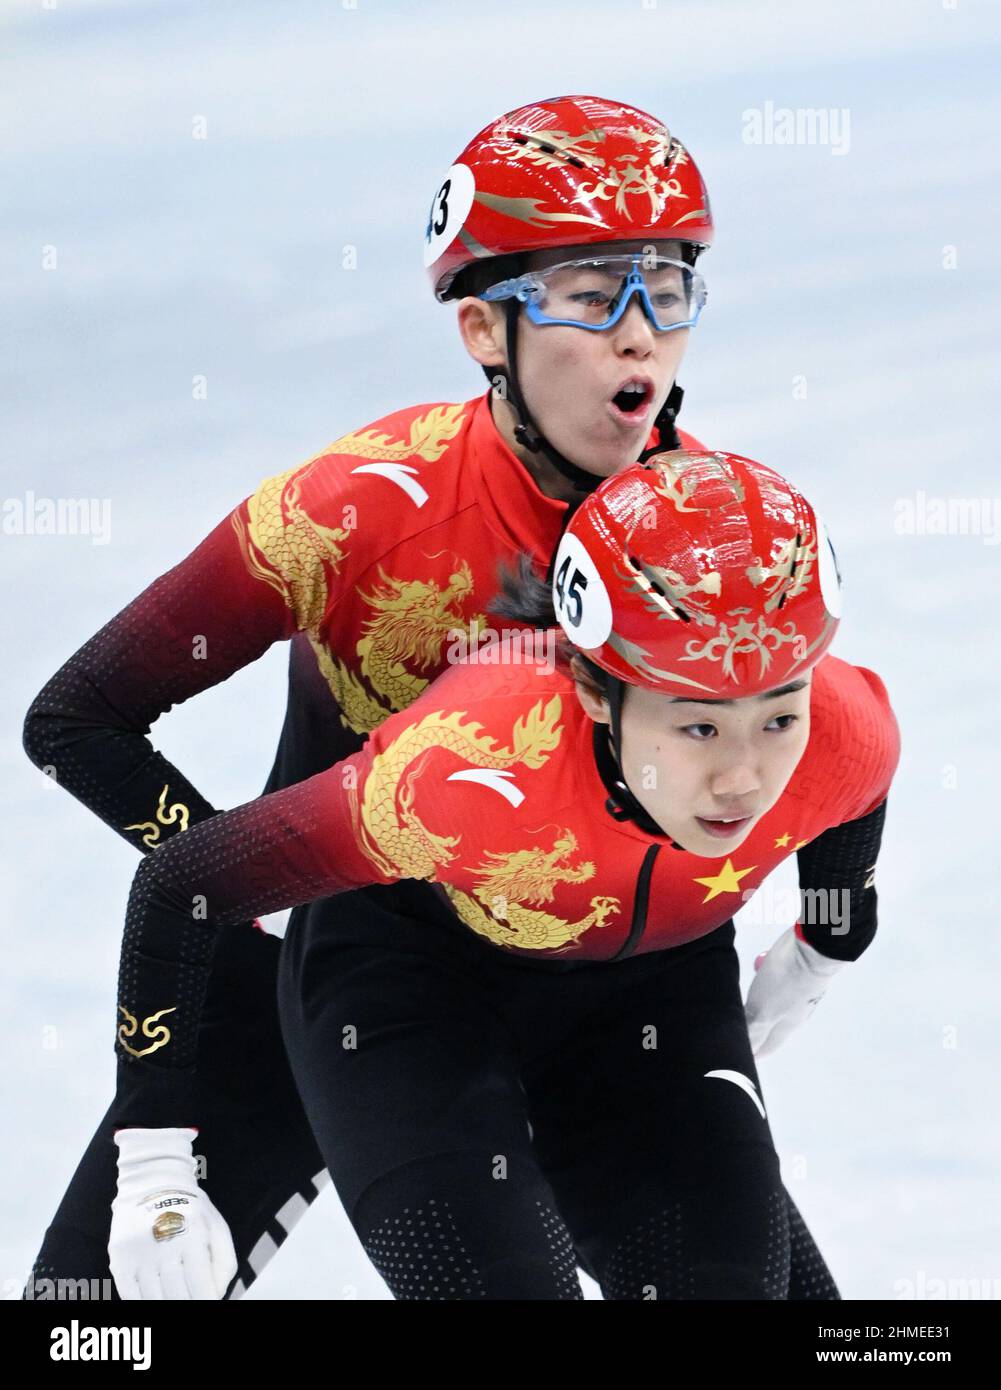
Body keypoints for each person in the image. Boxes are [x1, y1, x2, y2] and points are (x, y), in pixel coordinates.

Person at [21, 95, 831, 1299]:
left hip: (624, 991)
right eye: (588, 289)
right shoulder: (356, 511)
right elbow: (77, 720)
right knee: (83, 1327)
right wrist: (255, 904)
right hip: (370, 967)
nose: (637, 336)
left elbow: (841, 738)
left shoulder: (721, 542)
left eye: (665, 287)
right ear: (478, 328)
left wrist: (822, 928)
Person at [104, 449, 900, 1300]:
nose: (745, 778)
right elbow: (184, 887)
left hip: (647, 1003)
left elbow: (853, 811)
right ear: (595, 690)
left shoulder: (843, 728)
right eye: (700, 729)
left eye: (778, 716)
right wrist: (153, 1157)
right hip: (413, 997)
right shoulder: (459, 769)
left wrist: (825, 945)